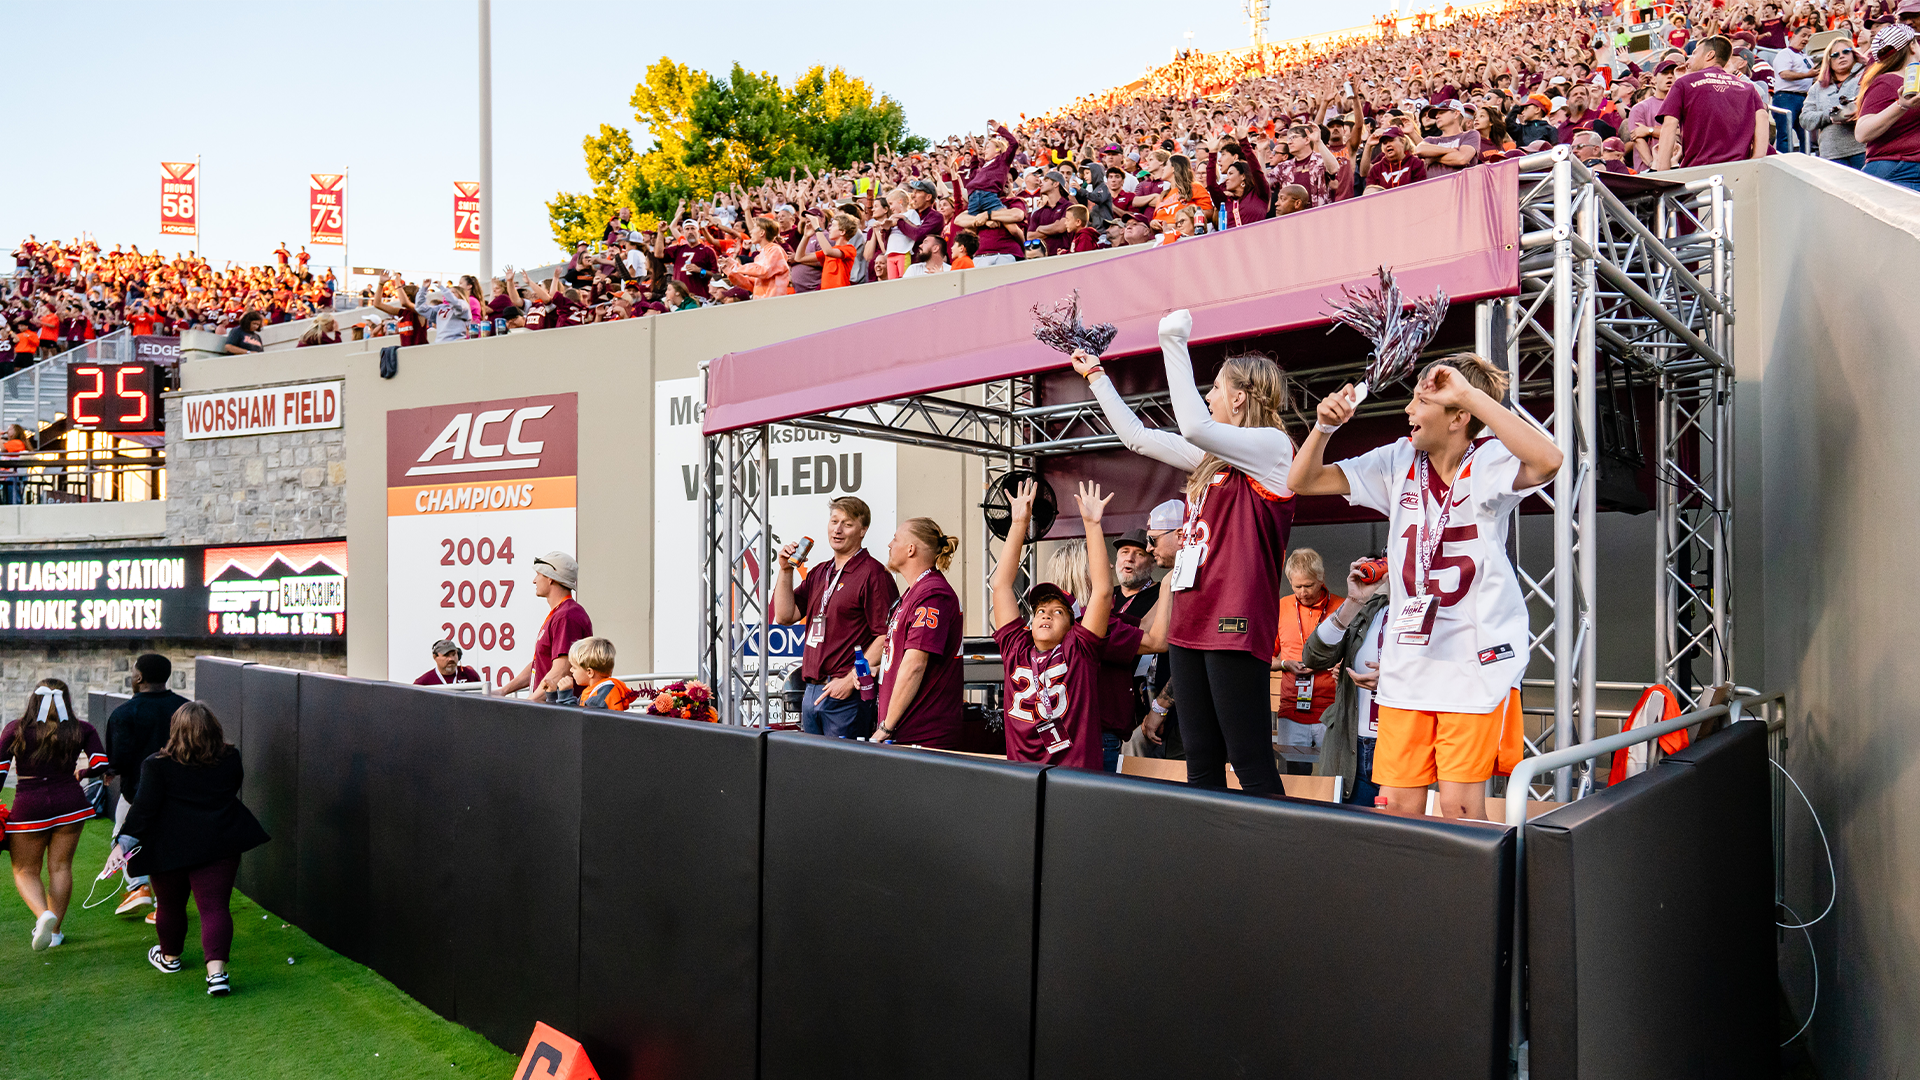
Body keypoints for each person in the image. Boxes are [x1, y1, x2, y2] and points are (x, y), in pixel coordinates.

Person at [1288, 355, 1564, 820]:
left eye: (1423, 399)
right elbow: (1303, 479)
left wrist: (1472, 396)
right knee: (1398, 807)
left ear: (1458, 416)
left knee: (1460, 808)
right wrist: (1324, 428)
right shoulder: (1398, 459)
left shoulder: (1490, 457)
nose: (1408, 409)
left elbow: (1549, 461)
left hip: (1472, 663)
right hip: (1409, 663)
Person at [1074, 310, 1296, 796]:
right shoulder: (1212, 462)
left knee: (1251, 760)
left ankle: (1278, 863)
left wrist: (1172, 342)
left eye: (1216, 387)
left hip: (1233, 621)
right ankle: (1211, 860)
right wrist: (1096, 376)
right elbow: (1137, 437)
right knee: (1200, 761)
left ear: (1239, 397)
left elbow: (1194, 427)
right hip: (1190, 620)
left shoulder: (1274, 448)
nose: (1210, 396)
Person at [121, 702, 270, 996]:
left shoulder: (156, 764)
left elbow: (143, 809)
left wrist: (122, 843)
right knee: (214, 907)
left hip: (168, 847)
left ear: (175, 730)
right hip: (219, 842)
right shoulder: (230, 758)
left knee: (170, 905)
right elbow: (232, 788)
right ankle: (216, 975)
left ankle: (169, 958)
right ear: (214, 728)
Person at [991, 479, 1139, 771]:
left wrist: (1092, 525)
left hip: (1074, 777)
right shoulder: (1016, 647)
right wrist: (1019, 522)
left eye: (1057, 611)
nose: (1045, 615)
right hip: (1023, 774)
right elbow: (1001, 586)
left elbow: (1102, 592)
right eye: (1041, 610)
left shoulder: (1079, 649)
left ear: (1073, 624)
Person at [774, 495, 899, 740]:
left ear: (863, 530)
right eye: (834, 521)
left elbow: (886, 635)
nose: (838, 529)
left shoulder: (873, 573)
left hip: (846, 694)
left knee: (841, 774)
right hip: (811, 689)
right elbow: (785, 615)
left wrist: (850, 678)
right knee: (815, 772)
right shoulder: (821, 571)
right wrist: (786, 570)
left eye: (847, 524)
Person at [3, 680, 108, 949]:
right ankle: (56, 932)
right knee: (60, 867)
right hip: (71, 803)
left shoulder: (15, 729)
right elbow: (100, 763)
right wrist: (82, 773)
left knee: (25, 869)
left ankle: (43, 915)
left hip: (29, 806)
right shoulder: (82, 729)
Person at [1303, 557, 1394, 806]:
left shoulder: (1433, 609)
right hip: (1353, 746)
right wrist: (1353, 602)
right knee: (1349, 839)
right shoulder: (1369, 608)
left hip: (1400, 748)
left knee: (1394, 839)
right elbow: (1313, 655)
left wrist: (1395, 681)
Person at [104, 655, 189, 919]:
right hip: (180, 792)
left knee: (125, 835)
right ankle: (165, 905)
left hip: (137, 794)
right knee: (174, 847)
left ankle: (139, 887)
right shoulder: (186, 709)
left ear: (139, 678)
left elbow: (117, 760)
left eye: (133, 672)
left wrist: (105, 772)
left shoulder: (124, 714)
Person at [873, 517, 965, 747]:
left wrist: (886, 727)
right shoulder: (915, 591)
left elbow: (916, 664)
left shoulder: (932, 593)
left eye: (895, 539)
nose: (889, 545)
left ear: (911, 549)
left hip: (923, 735)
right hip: (907, 731)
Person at [1654, 36, 1770, 170]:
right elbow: (1763, 117)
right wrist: (1756, 160)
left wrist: (1663, 171)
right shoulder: (1747, 87)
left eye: (1695, 53)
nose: (1690, 59)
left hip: (1699, 171)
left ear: (1709, 55)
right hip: (1740, 170)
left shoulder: (1684, 83)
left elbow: (1669, 125)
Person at [1104, 528, 1166, 770]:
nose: (1128, 558)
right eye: (1124, 552)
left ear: (1152, 561)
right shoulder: (1105, 597)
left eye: (1138, 553)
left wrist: (1160, 708)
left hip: (1148, 713)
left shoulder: (1163, 595)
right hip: (1113, 712)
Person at [495, 551, 592, 703]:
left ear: (550, 578)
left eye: (538, 574)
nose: (534, 581)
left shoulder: (566, 616)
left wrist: (529, 703)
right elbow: (539, 665)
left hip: (557, 712)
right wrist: (504, 690)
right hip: (550, 710)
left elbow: (561, 671)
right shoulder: (562, 613)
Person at [1271, 548, 1341, 749]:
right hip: (1291, 711)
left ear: (1322, 578)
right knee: (1292, 775)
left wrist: (1334, 664)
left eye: (1309, 585)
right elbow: (1264, 657)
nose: (1303, 592)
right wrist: (1285, 664)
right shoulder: (1282, 607)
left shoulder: (1342, 608)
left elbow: (1357, 657)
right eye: (1297, 586)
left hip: (1331, 711)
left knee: (1331, 776)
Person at [1853, 25, 1920, 190]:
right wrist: (1900, 105)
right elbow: (1862, 132)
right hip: (1901, 169)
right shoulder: (1888, 81)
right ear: (1911, 46)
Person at [1802, 41, 1867, 168]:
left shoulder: (1866, 77)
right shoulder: (1817, 87)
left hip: (1862, 150)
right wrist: (1830, 116)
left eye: (1846, 51)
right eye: (1835, 55)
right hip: (1830, 154)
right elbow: (1805, 119)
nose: (1841, 56)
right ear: (1829, 61)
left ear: (1853, 54)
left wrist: (1857, 111)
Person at [549, 637, 636, 710]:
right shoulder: (594, 690)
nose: (571, 670)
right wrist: (552, 695)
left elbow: (577, 722)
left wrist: (566, 695)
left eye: (574, 667)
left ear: (589, 672)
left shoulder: (602, 695)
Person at [1771, 24, 1819, 154]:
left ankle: (1805, 161)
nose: (1806, 39)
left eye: (1809, 36)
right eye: (1803, 35)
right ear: (1793, 35)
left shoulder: (1806, 57)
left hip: (1803, 97)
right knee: (1785, 134)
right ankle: (1784, 162)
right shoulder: (1785, 53)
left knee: (1805, 134)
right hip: (1786, 97)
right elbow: (1784, 74)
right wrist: (1808, 75)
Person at [414, 639, 481, 686]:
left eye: (453, 654)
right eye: (446, 655)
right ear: (435, 657)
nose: (451, 659)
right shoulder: (423, 683)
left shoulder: (471, 675)